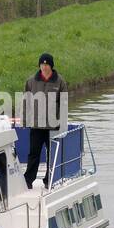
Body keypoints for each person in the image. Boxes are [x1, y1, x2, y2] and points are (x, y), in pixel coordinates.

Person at [19, 52, 67, 189]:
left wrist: (62, 124)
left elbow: (64, 104)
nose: (44, 67)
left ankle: (49, 179)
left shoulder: (60, 82)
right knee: (33, 153)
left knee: (51, 154)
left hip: (53, 126)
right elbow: (26, 102)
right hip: (36, 125)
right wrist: (24, 120)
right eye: (42, 64)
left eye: (46, 65)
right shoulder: (31, 81)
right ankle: (28, 180)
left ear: (51, 66)